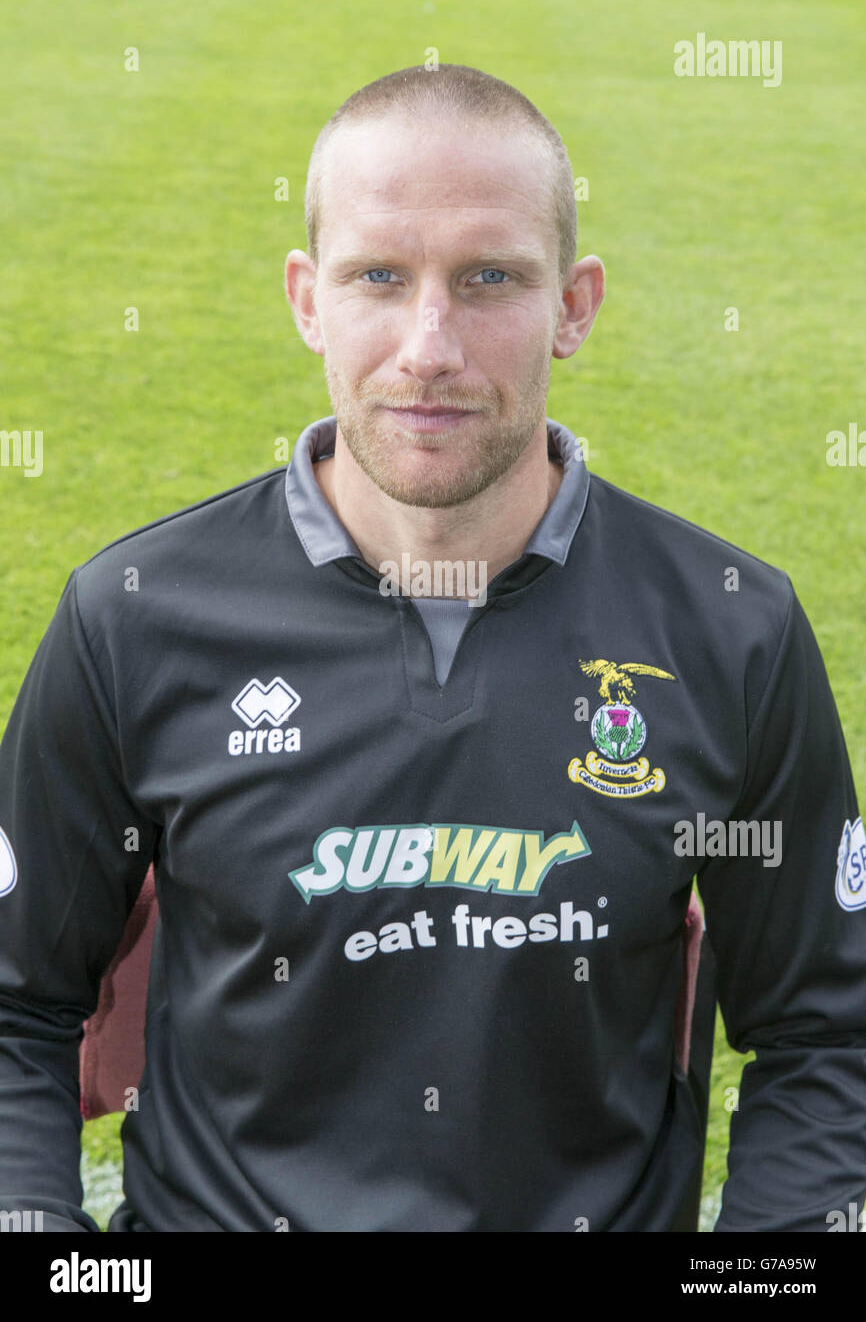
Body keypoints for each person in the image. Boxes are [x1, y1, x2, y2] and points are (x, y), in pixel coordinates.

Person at [1, 63, 864, 1234]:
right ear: (308, 299)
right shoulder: (133, 617)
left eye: (488, 278)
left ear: (575, 303)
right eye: (377, 277)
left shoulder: (730, 631)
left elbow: (825, 1028)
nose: (428, 346)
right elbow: (16, 1003)